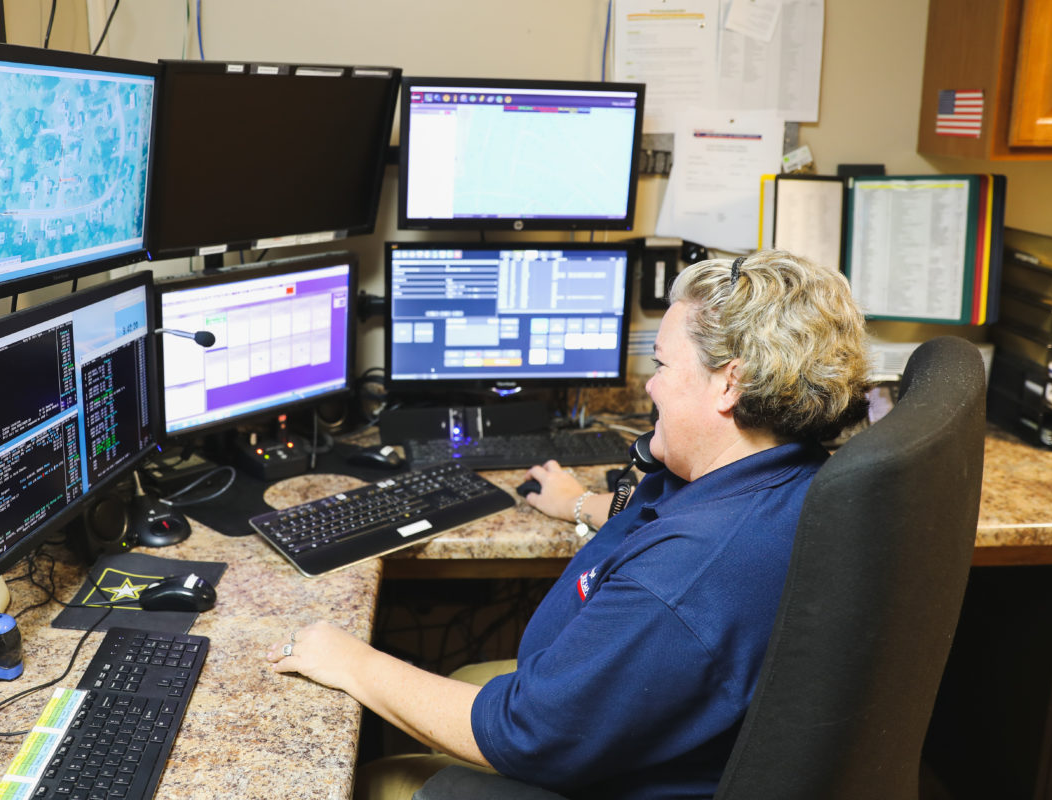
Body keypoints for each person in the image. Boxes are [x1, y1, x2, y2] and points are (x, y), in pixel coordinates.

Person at [268, 250, 872, 799]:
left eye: (661, 364)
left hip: (613, 774)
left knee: (378, 781)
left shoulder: (686, 576)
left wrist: (351, 661)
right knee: (460, 679)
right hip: (654, 729)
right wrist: (583, 503)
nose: (651, 385)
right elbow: (660, 523)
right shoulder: (782, 474)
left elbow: (524, 733)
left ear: (729, 382)